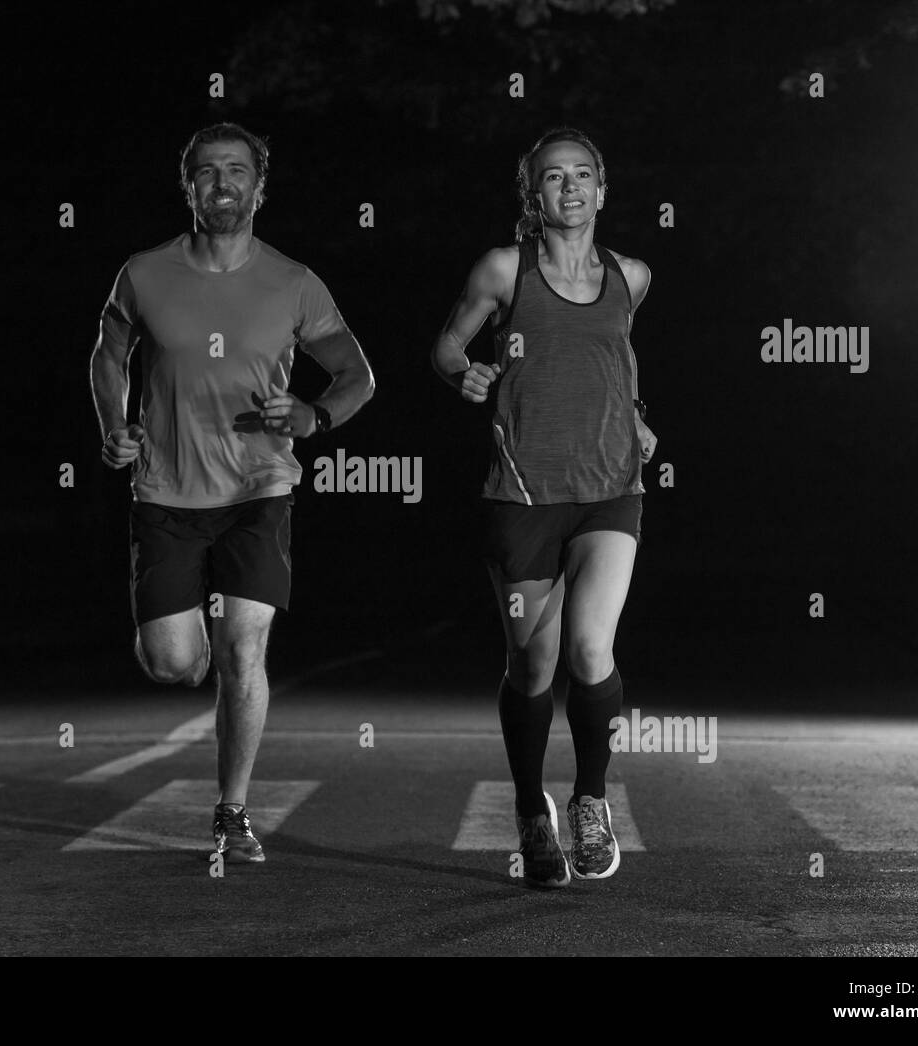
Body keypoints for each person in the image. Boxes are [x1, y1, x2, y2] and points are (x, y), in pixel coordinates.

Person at [90, 122, 374, 862]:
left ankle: (232, 810)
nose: (223, 184)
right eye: (208, 172)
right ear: (188, 187)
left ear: (260, 187)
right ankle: (173, 640)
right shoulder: (143, 273)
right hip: (167, 492)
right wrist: (112, 427)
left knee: (244, 649)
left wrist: (314, 414)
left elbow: (358, 376)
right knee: (175, 664)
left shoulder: (293, 281)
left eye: (238, 171)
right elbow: (108, 353)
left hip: (259, 488)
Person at [431, 128, 657, 888]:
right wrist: (464, 372)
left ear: (602, 189)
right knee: (533, 664)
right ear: (533, 195)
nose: (569, 187)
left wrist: (636, 415)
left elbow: (612, 363)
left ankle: (591, 800)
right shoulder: (504, 270)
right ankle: (532, 811)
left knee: (592, 651)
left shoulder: (633, 274)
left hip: (610, 492)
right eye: (553, 177)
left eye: (582, 174)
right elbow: (447, 347)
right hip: (522, 497)